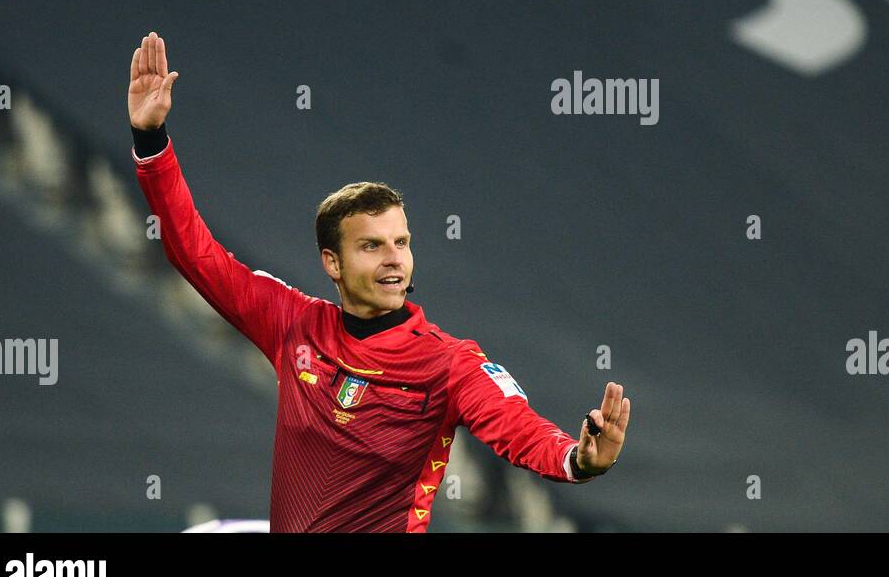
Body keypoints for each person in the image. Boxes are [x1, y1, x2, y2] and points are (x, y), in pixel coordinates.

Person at [127, 31, 629, 531]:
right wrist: (151, 141)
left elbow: (518, 428)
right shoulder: (292, 323)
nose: (394, 260)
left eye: (402, 242)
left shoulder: (450, 364)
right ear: (333, 263)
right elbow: (196, 254)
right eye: (372, 246)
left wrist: (579, 459)